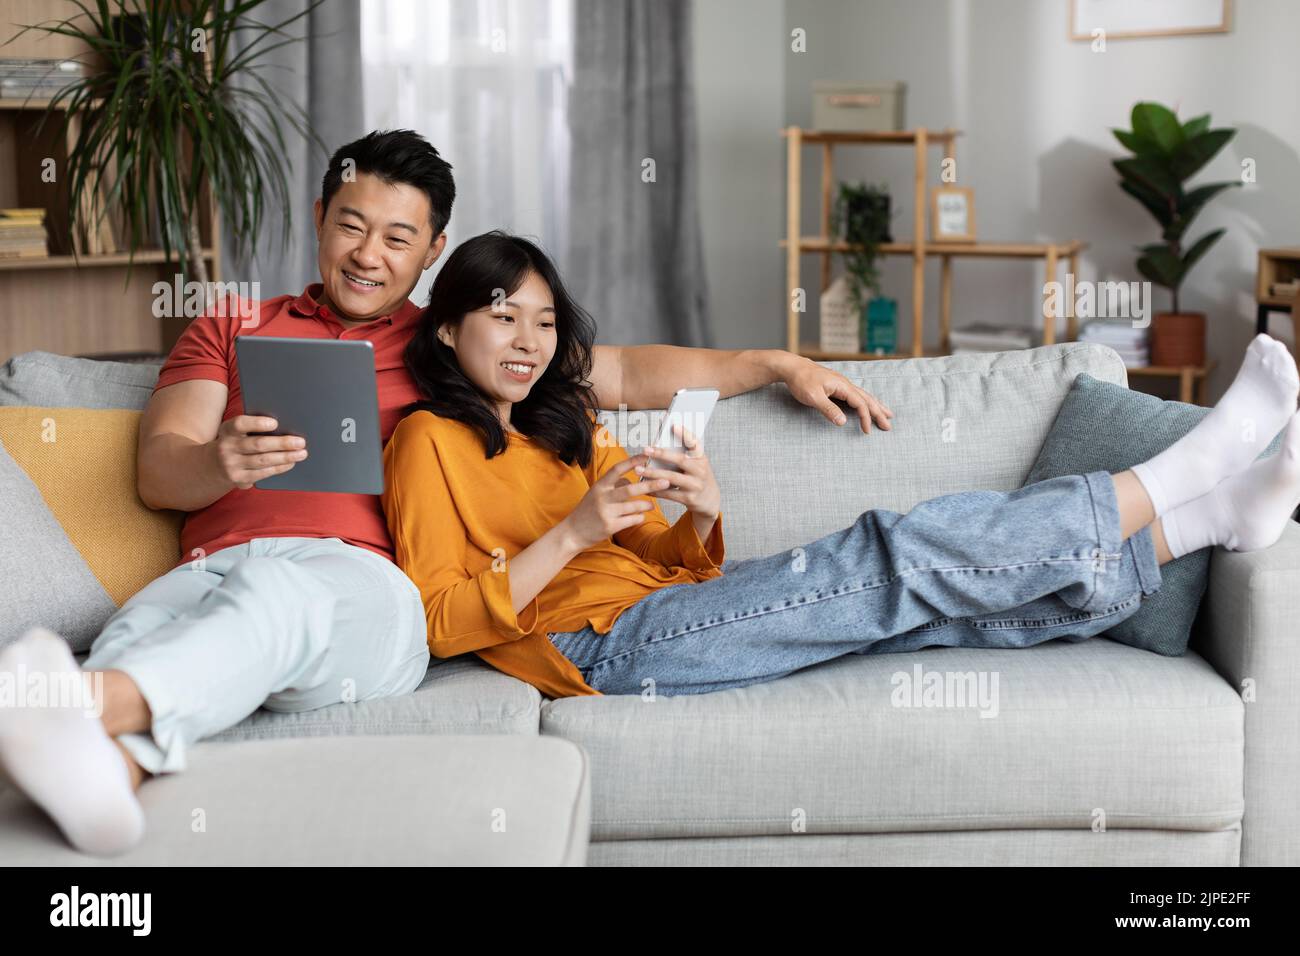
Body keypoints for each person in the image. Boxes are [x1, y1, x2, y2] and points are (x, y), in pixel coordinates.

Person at [0, 130, 893, 857]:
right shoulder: (231, 327)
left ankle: (73, 706)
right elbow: (160, 470)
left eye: (398, 238)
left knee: (279, 597)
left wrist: (775, 362)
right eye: (351, 225)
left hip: (362, 590)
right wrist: (220, 462)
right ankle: (103, 786)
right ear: (319, 218)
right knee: (146, 635)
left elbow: (624, 370)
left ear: (431, 253)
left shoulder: (454, 341)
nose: (368, 254)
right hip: (210, 565)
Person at [383, 230, 1300, 703]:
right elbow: (436, 622)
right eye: (503, 317)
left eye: (545, 322)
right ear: (450, 325)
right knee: (886, 553)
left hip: (659, 606)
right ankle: (1180, 477)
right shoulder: (427, 442)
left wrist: (700, 511)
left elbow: (672, 562)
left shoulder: (569, 420)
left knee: (927, 612)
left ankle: (1200, 524)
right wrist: (575, 530)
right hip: (601, 650)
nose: (528, 341)